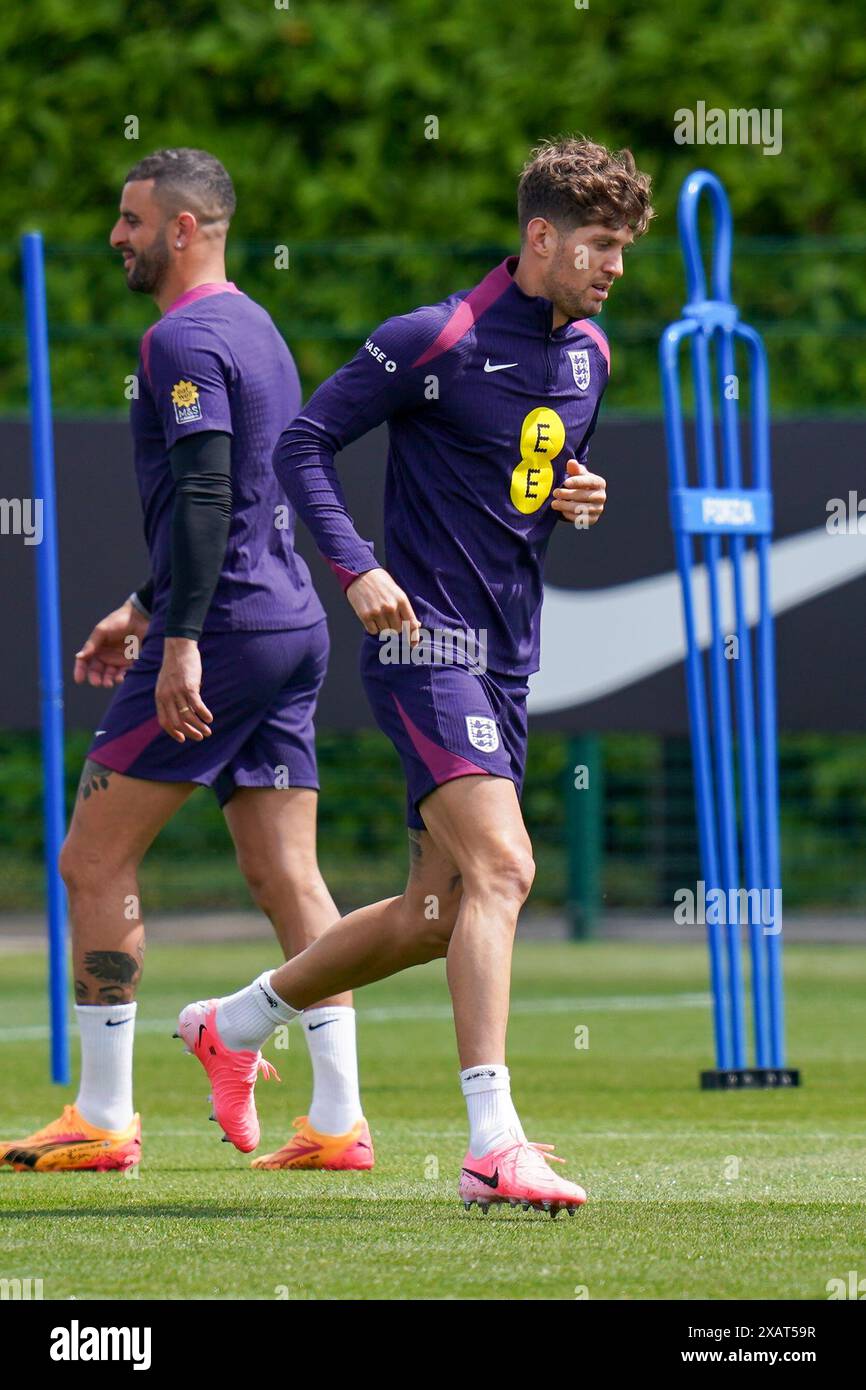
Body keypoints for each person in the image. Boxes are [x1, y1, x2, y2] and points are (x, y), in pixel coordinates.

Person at [178, 137, 654, 1213]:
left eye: (621, 248)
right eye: (598, 245)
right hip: (420, 642)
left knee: (433, 912)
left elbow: (531, 473)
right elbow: (302, 445)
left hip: (504, 657)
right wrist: (357, 570)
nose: (613, 267)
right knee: (505, 869)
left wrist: (571, 492)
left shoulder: (589, 356)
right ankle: (492, 1143)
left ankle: (233, 1022)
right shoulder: (433, 336)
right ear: (539, 236)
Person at [0, 149, 372, 1175]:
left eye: (129, 220)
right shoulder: (254, 324)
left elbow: (208, 501)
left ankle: (105, 1116)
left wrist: (177, 640)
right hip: (291, 623)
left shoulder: (177, 339)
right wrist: (138, 606)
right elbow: (242, 503)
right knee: (284, 871)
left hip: (232, 633)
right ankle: (337, 1120)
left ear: (180, 230)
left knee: (91, 858)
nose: (114, 236)